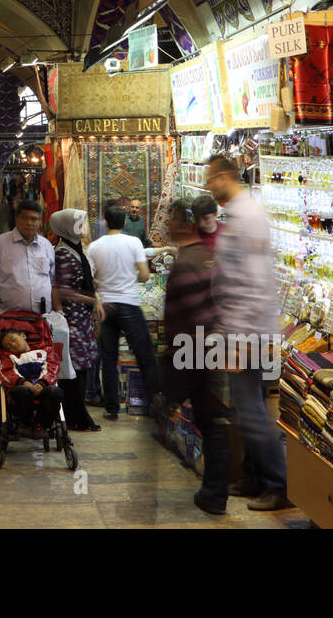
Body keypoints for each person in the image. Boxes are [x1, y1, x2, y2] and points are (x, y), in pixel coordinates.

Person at [204, 155, 290, 511]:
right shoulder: (240, 212)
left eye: (211, 180)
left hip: (249, 331)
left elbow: (252, 282)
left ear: (225, 176)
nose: (209, 187)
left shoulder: (248, 215)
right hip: (244, 328)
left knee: (252, 411)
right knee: (246, 408)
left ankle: (278, 484)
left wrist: (239, 339)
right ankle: (255, 476)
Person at [161, 197, 229, 515]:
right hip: (200, 352)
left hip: (195, 354)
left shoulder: (189, 260)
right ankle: (214, 493)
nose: (167, 226)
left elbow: (198, 315)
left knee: (211, 423)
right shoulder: (201, 255)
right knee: (210, 421)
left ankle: (215, 495)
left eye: (172, 221)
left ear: (185, 224)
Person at [87, 204, 158, 421]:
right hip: (128, 303)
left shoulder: (94, 247)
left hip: (106, 306)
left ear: (105, 222)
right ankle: (155, 403)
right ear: (125, 222)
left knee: (108, 357)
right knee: (144, 354)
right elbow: (145, 275)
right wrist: (129, 278)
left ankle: (112, 408)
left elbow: (90, 280)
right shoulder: (133, 242)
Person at [49, 208, 103, 431]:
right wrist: (92, 301)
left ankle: (77, 415)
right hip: (72, 319)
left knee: (81, 368)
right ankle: (74, 417)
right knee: (74, 369)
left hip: (82, 319)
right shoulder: (63, 254)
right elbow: (63, 291)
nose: (84, 229)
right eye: (79, 225)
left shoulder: (77, 249)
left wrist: (95, 298)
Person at [0, 199, 60, 316]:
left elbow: (52, 283)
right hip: (10, 320)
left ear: (40, 222)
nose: (29, 222)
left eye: (34, 219)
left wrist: (59, 311)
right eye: (24, 218)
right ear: (16, 219)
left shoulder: (46, 246)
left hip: (42, 319)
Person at [0, 329, 63, 429]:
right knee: (21, 391)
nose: (13, 345)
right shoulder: (10, 357)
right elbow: (7, 373)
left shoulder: (45, 351)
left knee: (55, 392)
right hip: (22, 390)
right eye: (8, 346)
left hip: (43, 388)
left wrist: (42, 383)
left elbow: (52, 368)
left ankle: (43, 424)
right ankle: (26, 423)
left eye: (13, 340)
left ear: (23, 336)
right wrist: (23, 382)